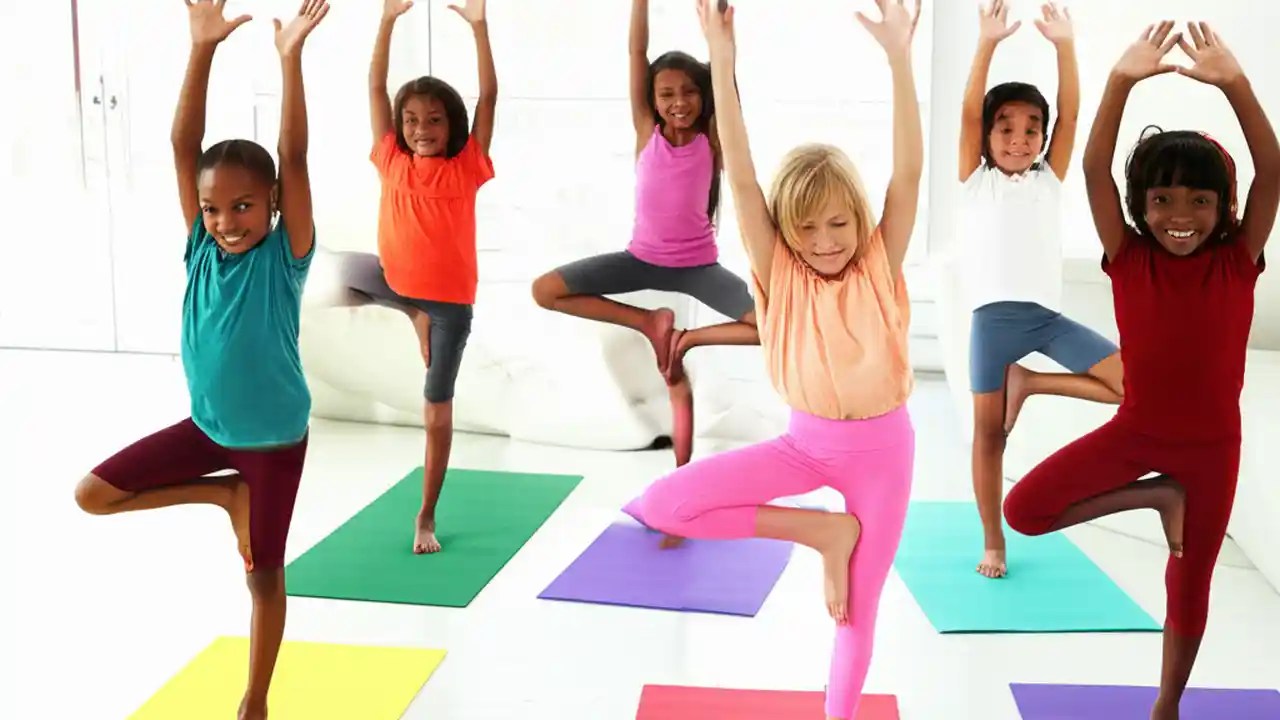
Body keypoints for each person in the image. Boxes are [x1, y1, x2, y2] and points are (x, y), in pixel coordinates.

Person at [630, 1, 922, 718]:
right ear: (786, 234)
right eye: (808, 228)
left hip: (882, 455)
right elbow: (744, 177)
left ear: (859, 220)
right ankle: (822, 532)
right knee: (661, 503)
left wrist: (899, 59)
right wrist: (720, 58)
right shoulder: (779, 271)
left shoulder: (879, 265)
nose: (825, 240)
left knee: (856, 613)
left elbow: (910, 173)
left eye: (839, 223)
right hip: (803, 447)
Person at [1003, 21, 1279, 720]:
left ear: (1226, 210)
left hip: (1214, 452)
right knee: (1024, 511)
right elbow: (1096, 170)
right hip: (1137, 437)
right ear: (1140, 206)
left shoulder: (1237, 261)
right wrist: (1122, 80)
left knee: (1190, 586)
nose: (1179, 217)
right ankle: (1157, 497)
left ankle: (1167, 705)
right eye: (1161, 201)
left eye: (1199, 202)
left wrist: (1238, 84)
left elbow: (1273, 170)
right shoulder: (1129, 258)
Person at [71, 1, 329, 718]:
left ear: (273, 203)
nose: (224, 222)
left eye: (243, 207)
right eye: (214, 210)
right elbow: (183, 148)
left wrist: (289, 59)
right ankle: (222, 492)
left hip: (275, 442)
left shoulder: (286, 256)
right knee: (92, 494)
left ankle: (256, 697)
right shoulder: (200, 247)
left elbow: (296, 155)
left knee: (264, 577)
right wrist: (201, 48)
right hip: (209, 431)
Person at [530, 0, 760, 483]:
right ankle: (648, 323)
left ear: (704, 96)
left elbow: (726, 78)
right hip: (639, 260)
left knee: (774, 326)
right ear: (652, 100)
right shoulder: (645, 131)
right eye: (667, 94)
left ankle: (686, 343)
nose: (679, 102)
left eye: (689, 92)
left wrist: (722, 43)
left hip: (699, 268)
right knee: (545, 290)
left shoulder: (714, 138)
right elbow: (637, 50)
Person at [958, 0, 1124, 580]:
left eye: (1032, 129)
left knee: (1128, 385)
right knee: (987, 438)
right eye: (1005, 127)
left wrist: (1066, 46)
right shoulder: (976, 182)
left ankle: (1029, 383)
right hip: (992, 324)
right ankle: (993, 541)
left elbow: (1072, 115)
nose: (1020, 139)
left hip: (1046, 321)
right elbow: (967, 118)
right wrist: (986, 44)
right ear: (987, 134)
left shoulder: (1047, 179)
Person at [330, 0, 496, 554]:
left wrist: (478, 26)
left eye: (434, 120)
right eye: (412, 120)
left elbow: (489, 97)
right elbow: (375, 88)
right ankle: (408, 309)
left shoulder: (467, 166)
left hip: (448, 307)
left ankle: (425, 515)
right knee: (316, 273)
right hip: (390, 280)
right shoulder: (391, 160)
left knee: (435, 415)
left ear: (452, 124)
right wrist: (387, 19)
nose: (421, 129)